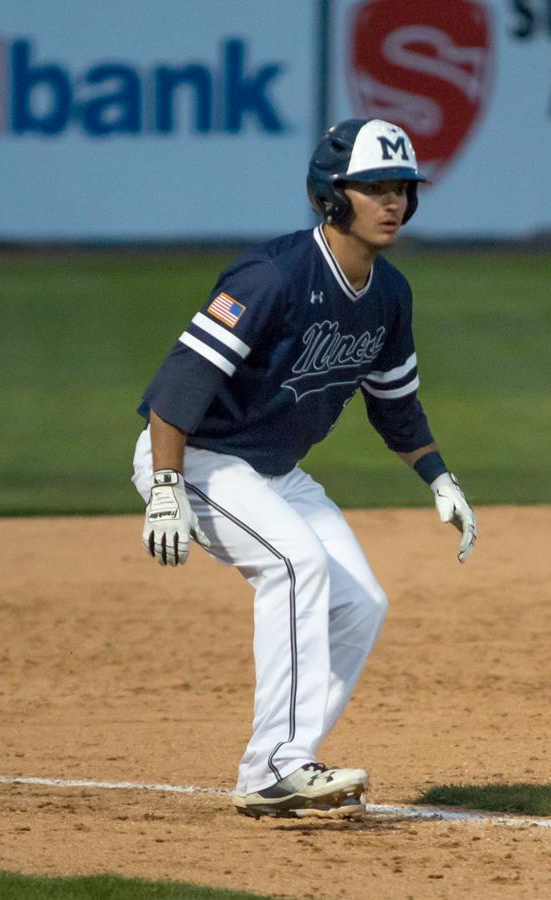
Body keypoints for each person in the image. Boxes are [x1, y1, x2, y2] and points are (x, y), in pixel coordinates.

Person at [131, 118, 478, 820]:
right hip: (197, 454)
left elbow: (396, 406)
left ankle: (281, 761)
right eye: (374, 188)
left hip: (272, 471)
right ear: (332, 194)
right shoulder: (272, 276)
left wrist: (440, 478)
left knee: (362, 604)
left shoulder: (389, 295)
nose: (392, 203)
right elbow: (177, 389)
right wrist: (166, 488)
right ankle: (277, 769)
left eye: (402, 189)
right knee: (296, 565)